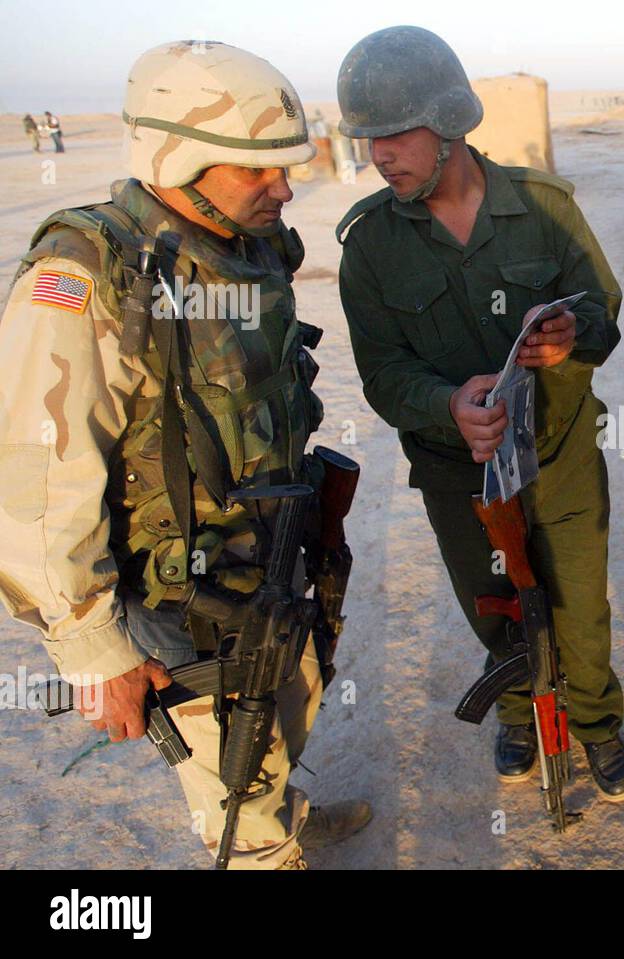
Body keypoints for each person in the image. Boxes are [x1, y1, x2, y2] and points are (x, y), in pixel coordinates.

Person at [0, 41, 371, 869]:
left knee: (290, 701)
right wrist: (96, 655)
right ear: (178, 158)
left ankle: (287, 805)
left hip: (273, 557)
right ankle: (266, 845)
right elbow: (34, 486)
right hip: (181, 599)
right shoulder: (91, 272)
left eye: (288, 167)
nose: (285, 188)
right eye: (259, 172)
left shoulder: (252, 243)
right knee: (235, 795)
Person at [334, 26, 624, 801]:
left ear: (448, 123)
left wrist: (574, 337)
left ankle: (598, 725)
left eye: (394, 135)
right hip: (457, 475)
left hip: (563, 459)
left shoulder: (545, 209)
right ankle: (515, 709)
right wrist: (446, 405)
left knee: (581, 610)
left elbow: (605, 312)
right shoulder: (370, 245)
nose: (380, 155)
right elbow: (381, 374)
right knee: (494, 606)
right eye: (368, 139)